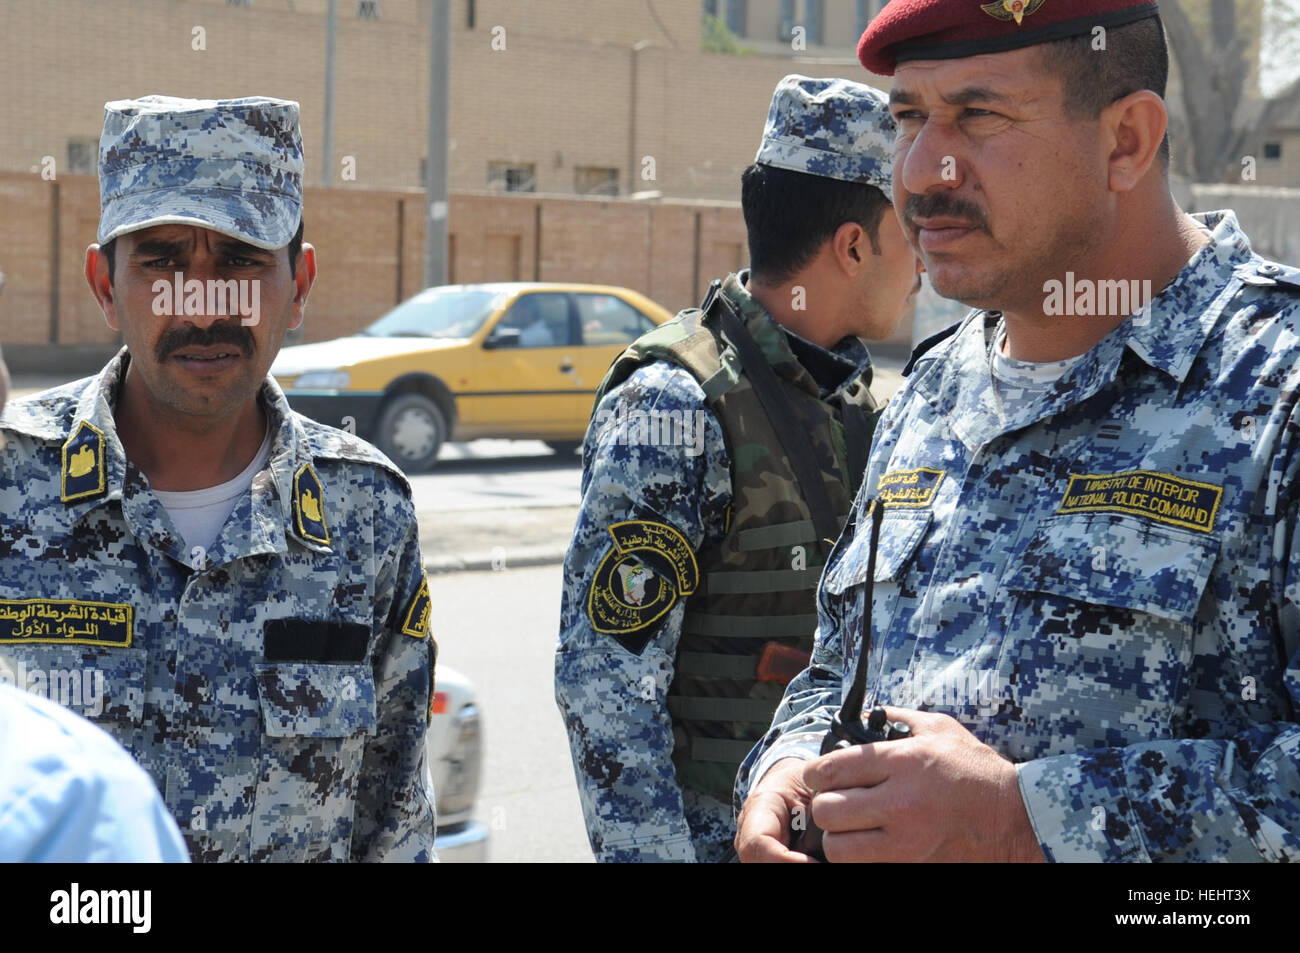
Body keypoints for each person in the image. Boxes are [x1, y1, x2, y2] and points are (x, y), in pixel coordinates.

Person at [735, 0, 1300, 863]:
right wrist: (790, 764)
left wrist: (1025, 820)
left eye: (978, 115)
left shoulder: (1280, 390)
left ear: (1126, 142)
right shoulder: (934, 386)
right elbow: (836, 668)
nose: (921, 173)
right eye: (910, 118)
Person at [0, 96, 435, 862]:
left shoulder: (367, 513)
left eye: (239, 260)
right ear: (105, 285)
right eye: (164, 259)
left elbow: (392, 823)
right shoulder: (9, 480)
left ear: (298, 284)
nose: (203, 304)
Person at [556, 74, 922, 862]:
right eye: (913, 231)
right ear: (854, 246)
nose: (926, 263)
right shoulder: (677, 408)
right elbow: (606, 689)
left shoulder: (864, 402)